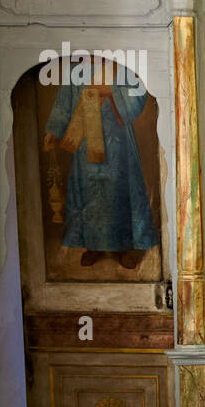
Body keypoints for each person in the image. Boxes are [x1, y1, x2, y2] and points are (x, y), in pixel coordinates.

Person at [42, 65, 158, 268]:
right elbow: (64, 102)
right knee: (90, 193)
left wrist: (112, 92)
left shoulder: (122, 68)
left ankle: (124, 248)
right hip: (86, 144)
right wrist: (53, 131)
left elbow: (138, 96)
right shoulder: (78, 70)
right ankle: (93, 246)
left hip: (119, 146)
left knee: (119, 193)